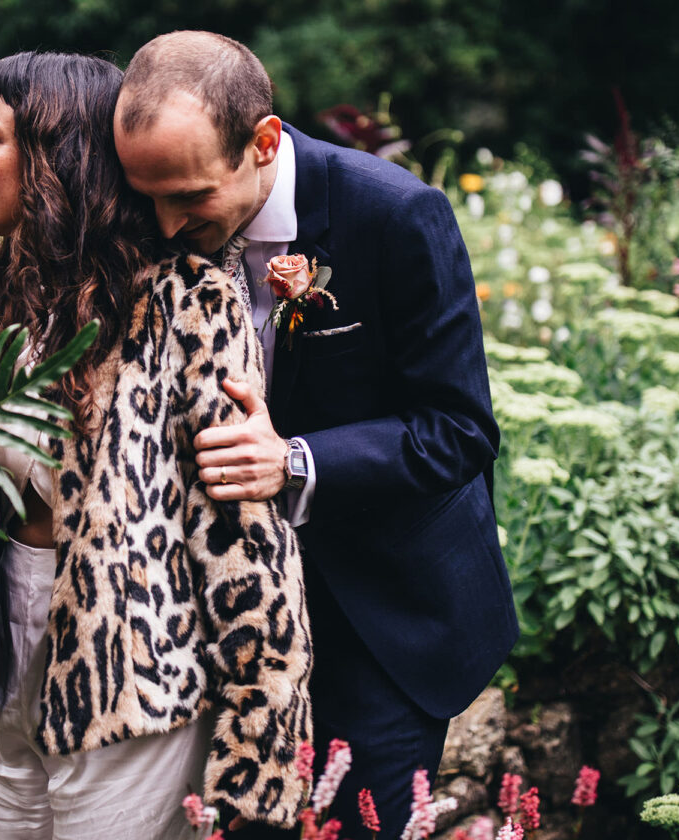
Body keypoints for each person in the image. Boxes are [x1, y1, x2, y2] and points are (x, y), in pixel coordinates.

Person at [0, 51, 314, 839]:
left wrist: (260, 740)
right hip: (2, 675)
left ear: (56, 160)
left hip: (133, 690)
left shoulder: (191, 307)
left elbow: (245, 545)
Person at [112, 31, 519, 838]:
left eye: (188, 197)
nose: (163, 224)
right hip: (225, 622)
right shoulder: (154, 217)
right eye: (146, 196)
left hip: (378, 612)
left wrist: (293, 460)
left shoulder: (396, 215)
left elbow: (459, 431)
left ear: (263, 144)